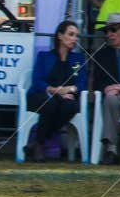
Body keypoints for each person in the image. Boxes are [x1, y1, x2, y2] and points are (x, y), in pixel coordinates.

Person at [26, 19, 88, 160]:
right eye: (71, 34)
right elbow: (37, 81)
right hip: (42, 95)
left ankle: (37, 142)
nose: (74, 39)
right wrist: (56, 91)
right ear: (60, 36)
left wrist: (69, 90)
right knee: (50, 104)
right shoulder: (44, 56)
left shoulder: (78, 59)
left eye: (76, 36)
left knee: (70, 107)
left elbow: (82, 83)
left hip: (66, 97)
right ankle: (39, 145)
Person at [91, 12, 120, 163]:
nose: (109, 34)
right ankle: (111, 150)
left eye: (113, 30)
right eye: (107, 31)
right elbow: (97, 84)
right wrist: (107, 88)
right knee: (110, 99)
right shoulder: (102, 55)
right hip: (119, 101)